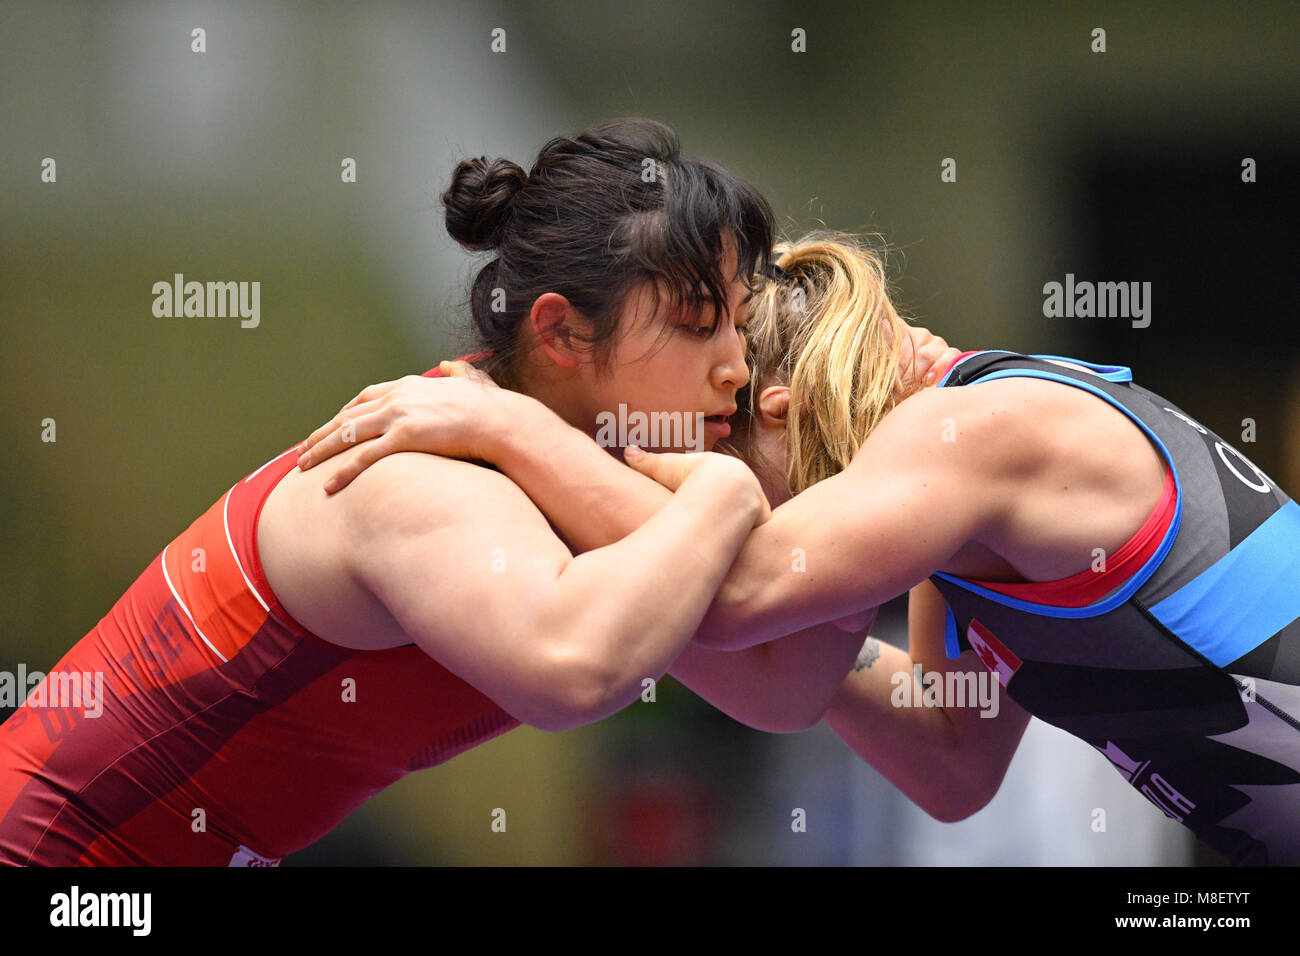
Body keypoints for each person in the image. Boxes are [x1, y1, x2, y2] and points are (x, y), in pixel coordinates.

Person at [3, 120, 932, 866]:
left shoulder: (570, 466)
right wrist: (728, 494)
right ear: (561, 335)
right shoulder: (420, 480)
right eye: (698, 326)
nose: (735, 365)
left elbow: (786, 679)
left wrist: (911, 495)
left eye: (736, 323)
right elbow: (574, 669)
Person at [300, 234, 1300, 866]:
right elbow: (950, 762)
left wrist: (516, 434)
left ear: (771, 407)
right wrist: (780, 639)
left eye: (706, 462)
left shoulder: (975, 431)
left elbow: (739, 588)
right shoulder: (957, 513)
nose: (713, 501)